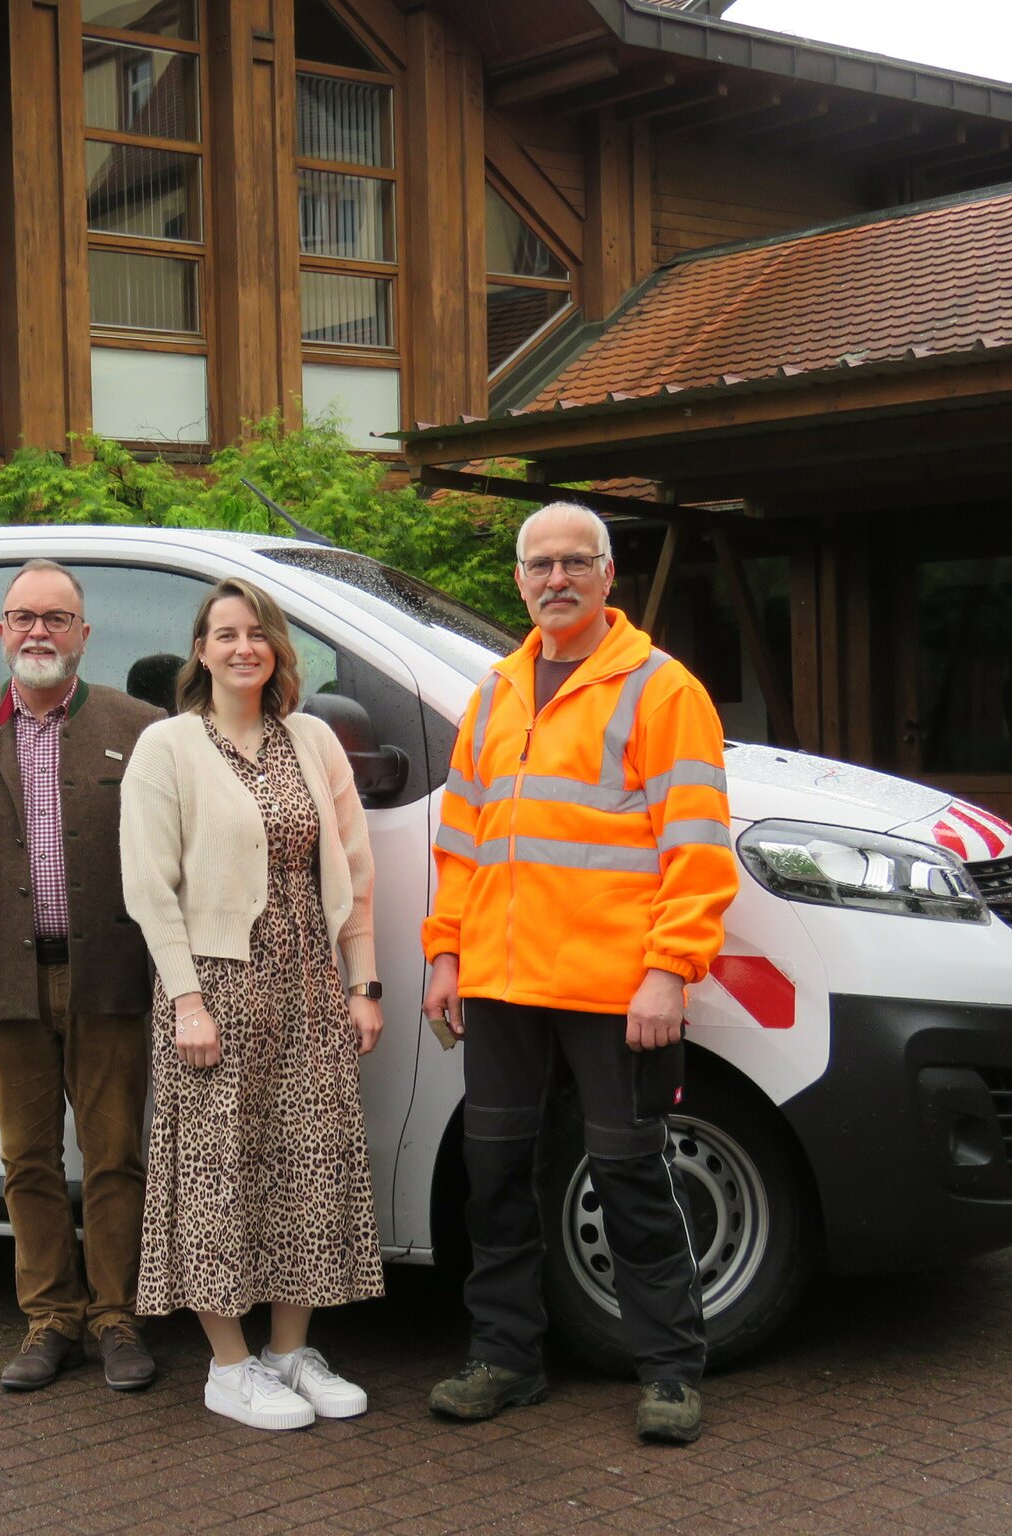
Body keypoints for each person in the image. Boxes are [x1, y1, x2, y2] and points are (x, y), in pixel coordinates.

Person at [421, 502, 737, 1446]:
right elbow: (461, 840)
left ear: (608, 575)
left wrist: (671, 970)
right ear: (518, 581)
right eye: (538, 565)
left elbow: (697, 843)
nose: (555, 579)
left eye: (575, 562)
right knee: (496, 1177)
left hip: (614, 990)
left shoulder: (661, 689)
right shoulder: (497, 691)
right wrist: (446, 951)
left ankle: (672, 1371)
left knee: (632, 1176)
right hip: (502, 986)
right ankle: (505, 1359)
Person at [120, 576, 386, 1432]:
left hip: (309, 980)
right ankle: (227, 1366)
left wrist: (363, 981)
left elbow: (354, 867)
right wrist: (187, 1002)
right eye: (224, 633)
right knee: (216, 1172)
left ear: (277, 649)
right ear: (201, 650)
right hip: (215, 983)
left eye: (257, 633)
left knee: (308, 1164)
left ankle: (287, 1353)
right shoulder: (169, 746)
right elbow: (149, 890)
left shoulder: (310, 738)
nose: (243, 647)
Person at [0, 559, 166, 1392]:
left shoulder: (143, 726)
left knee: (117, 1155)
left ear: (85, 634)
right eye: (23, 617)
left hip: (113, 978)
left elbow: (169, 863)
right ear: (1, 632)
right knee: (27, 1159)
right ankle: (50, 1318)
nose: (39, 632)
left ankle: (117, 1317)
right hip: (1, 982)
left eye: (57, 618)